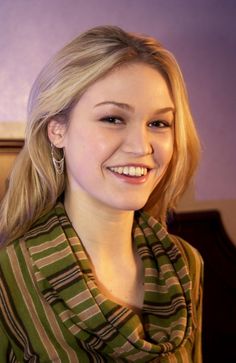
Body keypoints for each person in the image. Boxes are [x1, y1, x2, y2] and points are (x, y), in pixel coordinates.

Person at [0, 26, 203, 362]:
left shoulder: (185, 265)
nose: (141, 147)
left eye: (159, 123)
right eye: (113, 118)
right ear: (58, 130)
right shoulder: (8, 275)